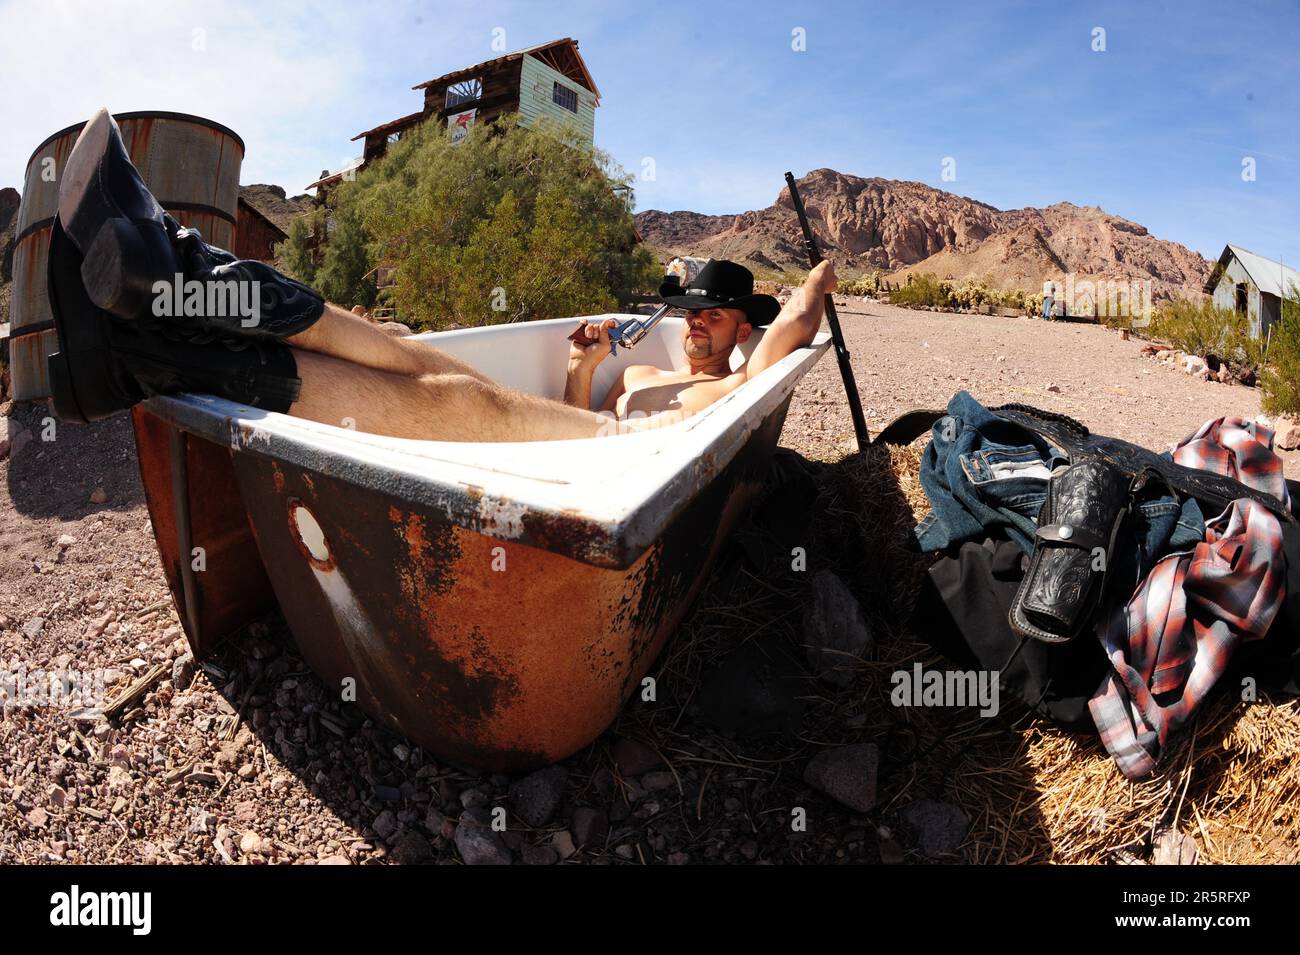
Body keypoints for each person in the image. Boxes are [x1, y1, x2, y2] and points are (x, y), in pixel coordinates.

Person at [46, 108, 835, 443]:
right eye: (690, 313)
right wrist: (582, 365)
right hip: (589, 445)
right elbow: (569, 420)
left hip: (639, 456)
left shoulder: (733, 391)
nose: (694, 324)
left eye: (712, 316)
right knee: (405, 350)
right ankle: (154, 329)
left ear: (742, 328)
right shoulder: (638, 377)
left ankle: (162, 302)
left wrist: (823, 275)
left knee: (455, 392)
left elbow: (799, 319)